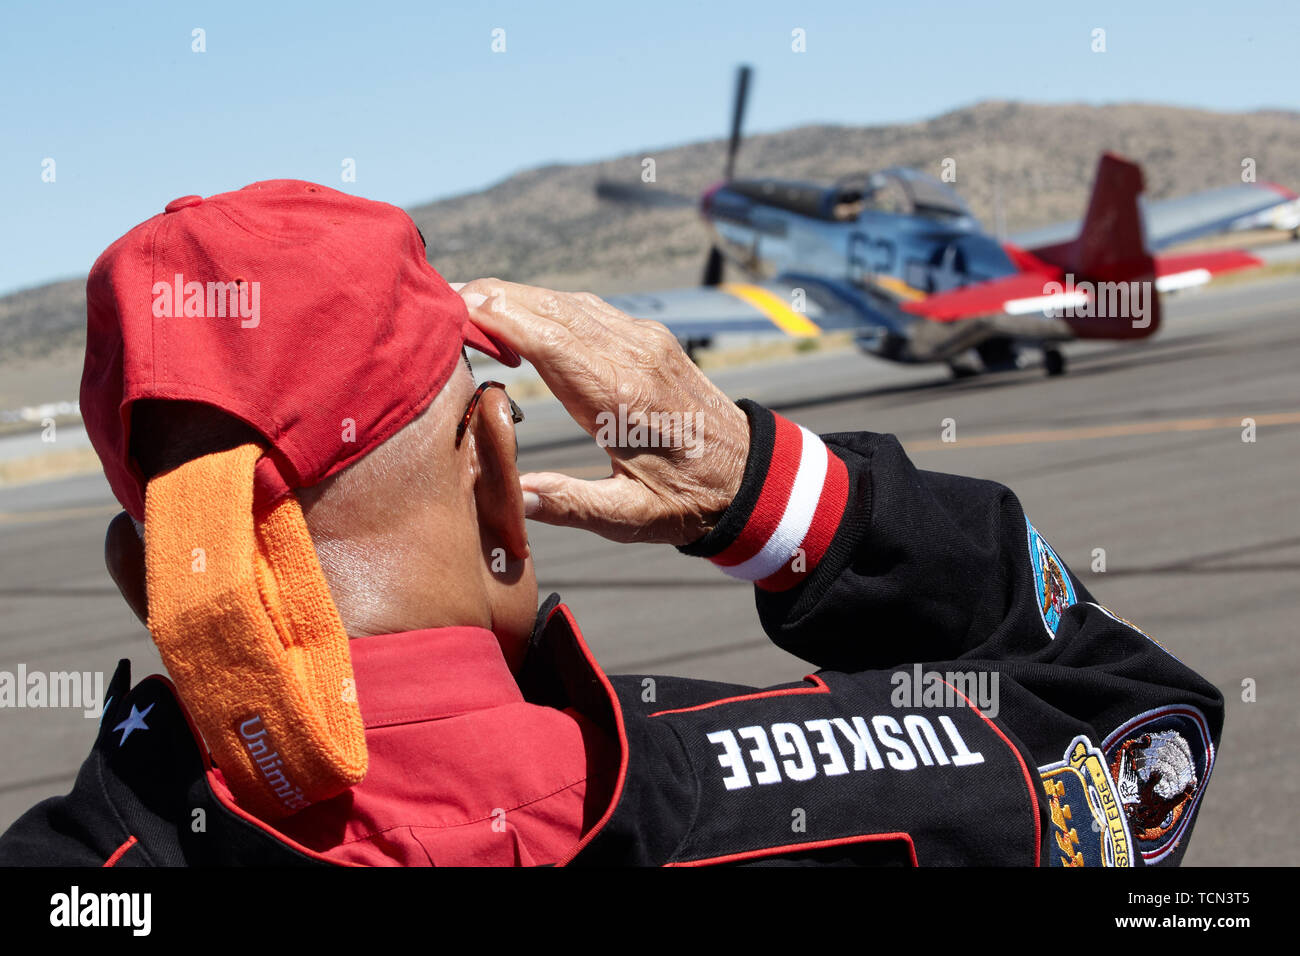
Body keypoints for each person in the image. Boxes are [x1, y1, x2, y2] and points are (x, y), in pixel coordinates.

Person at [0, 181, 1221, 867]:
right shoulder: (848, 794)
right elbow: (1136, 729)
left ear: (149, 569)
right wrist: (760, 480)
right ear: (497, 476)